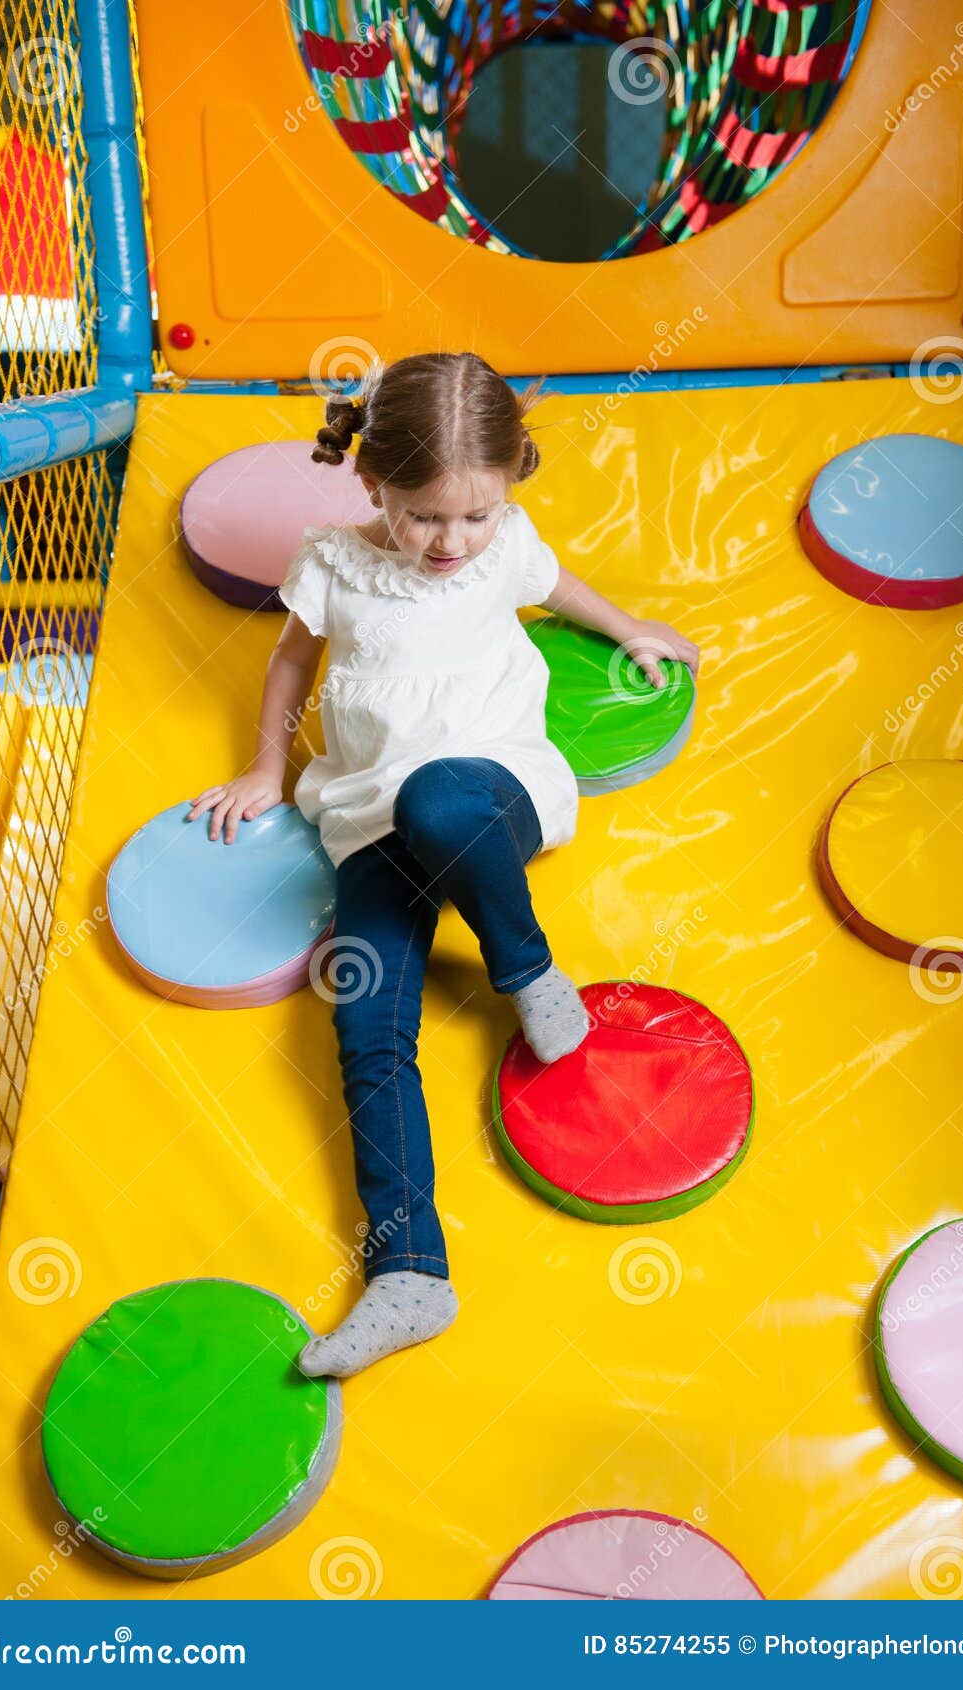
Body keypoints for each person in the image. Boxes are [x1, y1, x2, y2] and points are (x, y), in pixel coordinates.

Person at [188, 352, 699, 1376]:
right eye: (426, 518)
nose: (451, 543)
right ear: (374, 484)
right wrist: (260, 766)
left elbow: (557, 586)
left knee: (437, 793)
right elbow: (292, 658)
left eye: (474, 517)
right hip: (369, 814)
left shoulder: (499, 542)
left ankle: (524, 968)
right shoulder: (333, 562)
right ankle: (409, 1270)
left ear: (506, 492)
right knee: (365, 1022)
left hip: (486, 795)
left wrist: (629, 628)